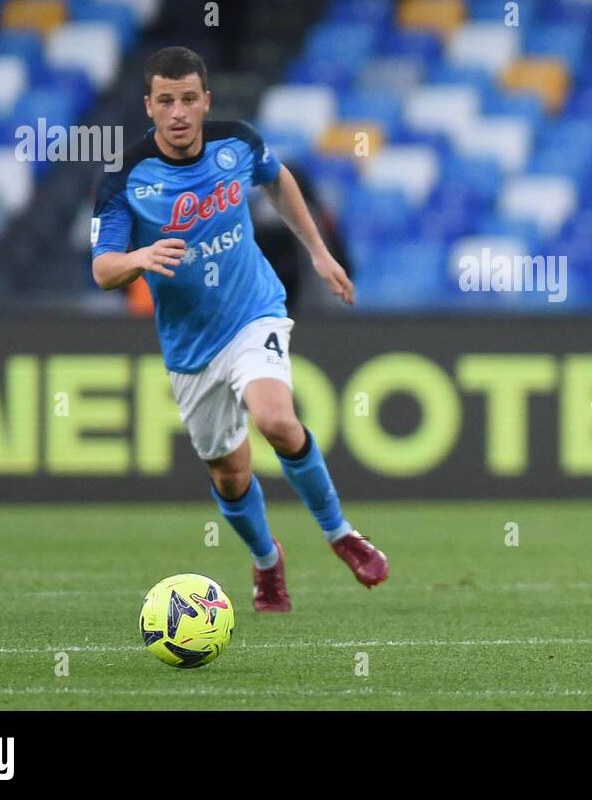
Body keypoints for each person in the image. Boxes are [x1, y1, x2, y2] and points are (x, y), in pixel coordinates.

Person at [91, 47, 387, 612]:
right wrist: (140, 257)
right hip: (190, 346)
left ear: (205, 100)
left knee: (276, 418)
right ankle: (267, 561)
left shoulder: (239, 144)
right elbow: (103, 268)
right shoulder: (124, 179)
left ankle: (339, 532)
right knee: (230, 475)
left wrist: (320, 256)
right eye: (165, 101)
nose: (178, 112)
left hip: (254, 310)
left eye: (187, 100)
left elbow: (280, 181)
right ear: (148, 107)